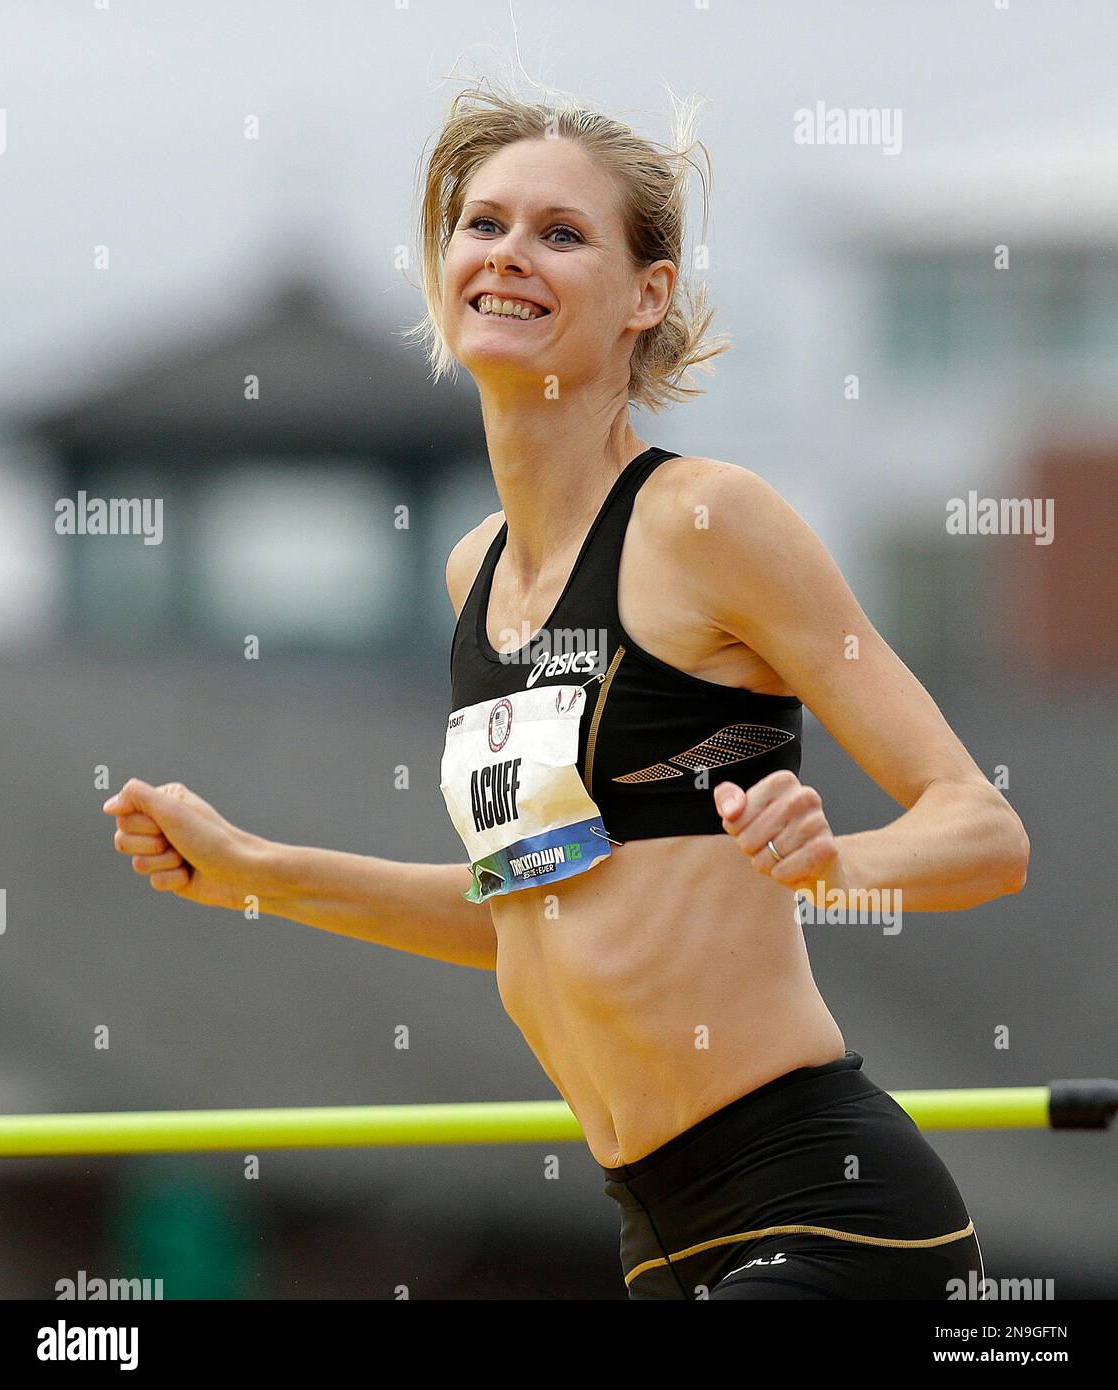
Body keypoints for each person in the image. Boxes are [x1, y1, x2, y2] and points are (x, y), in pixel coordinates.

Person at [104, 82, 1028, 1300]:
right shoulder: (472, 576)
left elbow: (985, 831)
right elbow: (532, 915)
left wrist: (837, 869)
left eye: (561, 233)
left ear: (647, 296)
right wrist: (260, 873)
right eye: (482, 224)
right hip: (659, 1235)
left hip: (828, 1213)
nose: (507, 256)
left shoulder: (709, 520)